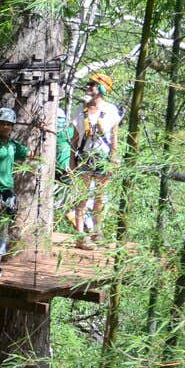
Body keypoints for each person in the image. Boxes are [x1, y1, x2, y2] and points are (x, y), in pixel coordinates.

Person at [0, 79, 53, 278]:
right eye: (2, 124)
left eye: (8, 124)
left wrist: (41, 131)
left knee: (3, 233)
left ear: (12, 126)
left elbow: (34, 153)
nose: (5, 127)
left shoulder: (14, 146)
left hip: (6, 197)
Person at [66, 72, 123, 247]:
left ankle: (98, 232)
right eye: (89, 83)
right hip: (84, 156)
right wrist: (72, 160)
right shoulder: (80, 110)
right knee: (82, 197)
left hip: (102, 158)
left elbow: (114, 138)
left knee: (100, 197)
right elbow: (75, 138)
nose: (89, 86)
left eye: (93, 84)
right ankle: (80, 236)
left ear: (102, 88)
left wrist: (114, 159)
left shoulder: (111, 110)